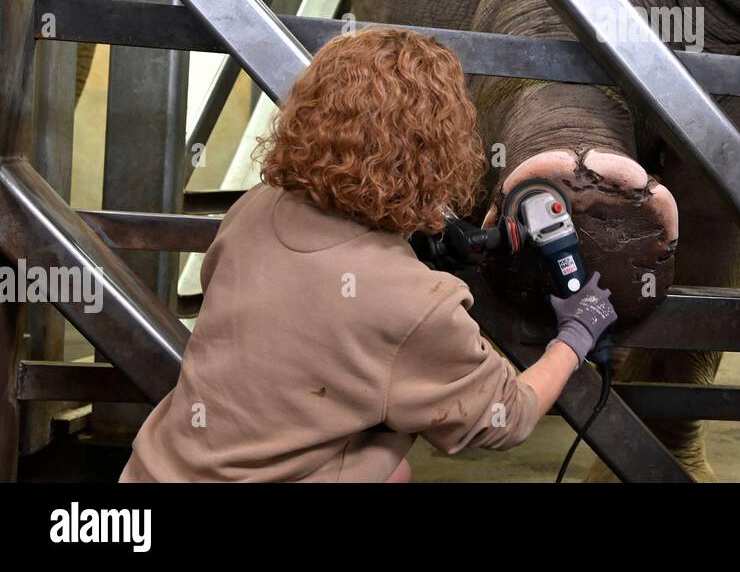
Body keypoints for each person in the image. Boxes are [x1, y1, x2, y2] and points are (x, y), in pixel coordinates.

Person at [119, 27, 616, 482]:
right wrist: (574, 336)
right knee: (393, 465)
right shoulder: (416, 303)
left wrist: (405, 249)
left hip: (155, 469)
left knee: (387, 467)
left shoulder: (255, 207)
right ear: (438, 148)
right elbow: (508, 418)